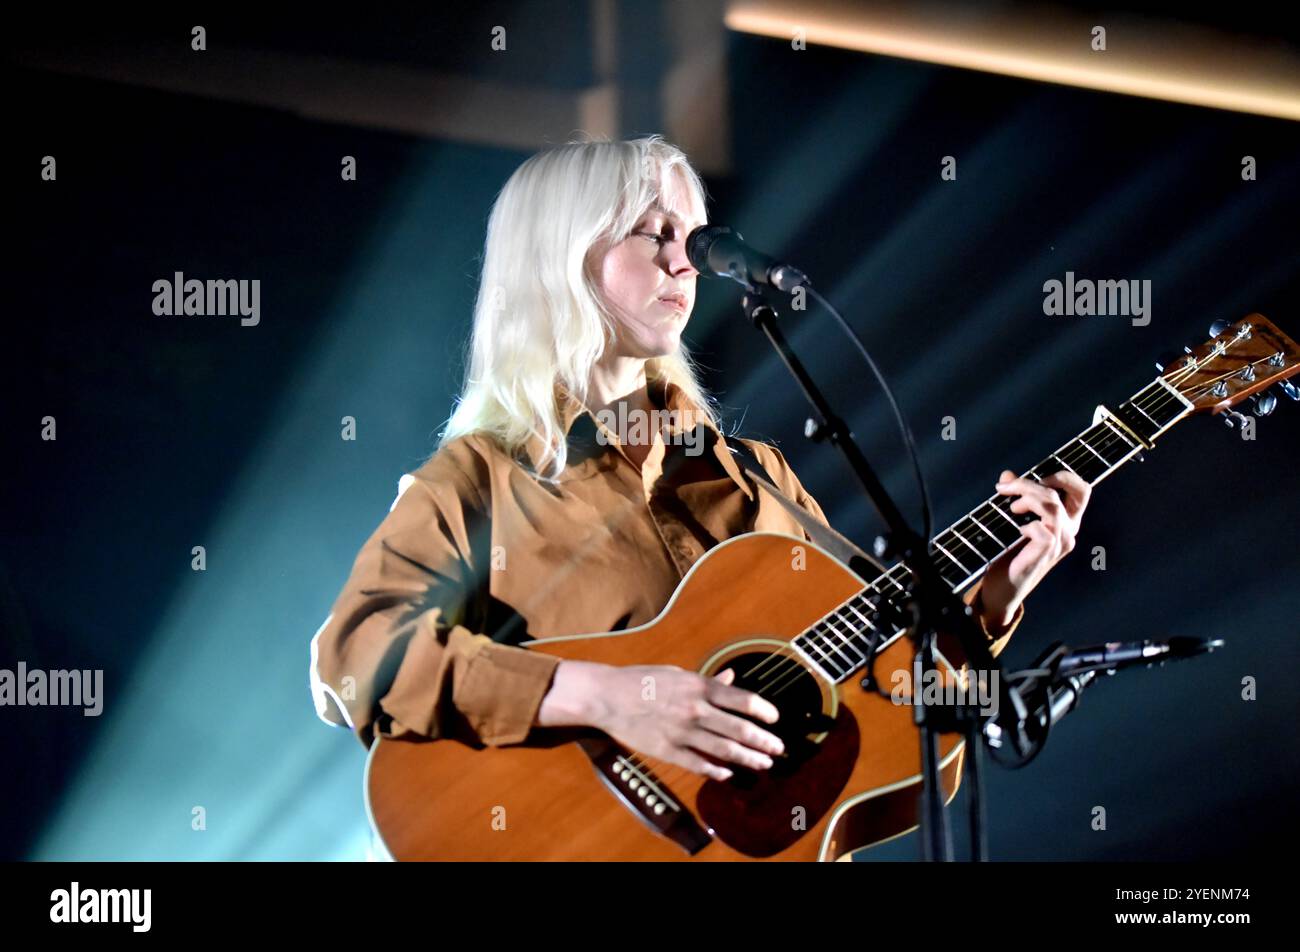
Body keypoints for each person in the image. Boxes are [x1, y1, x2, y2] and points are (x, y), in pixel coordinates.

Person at [309, 135, 1090, 783]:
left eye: (694, 239)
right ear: (560, 255)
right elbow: (353, 658)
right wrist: (607, 696)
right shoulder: (479, 481)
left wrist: (995, 595)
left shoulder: (759, 480)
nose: (686, 263)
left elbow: (883, 686)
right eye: (653, 233)